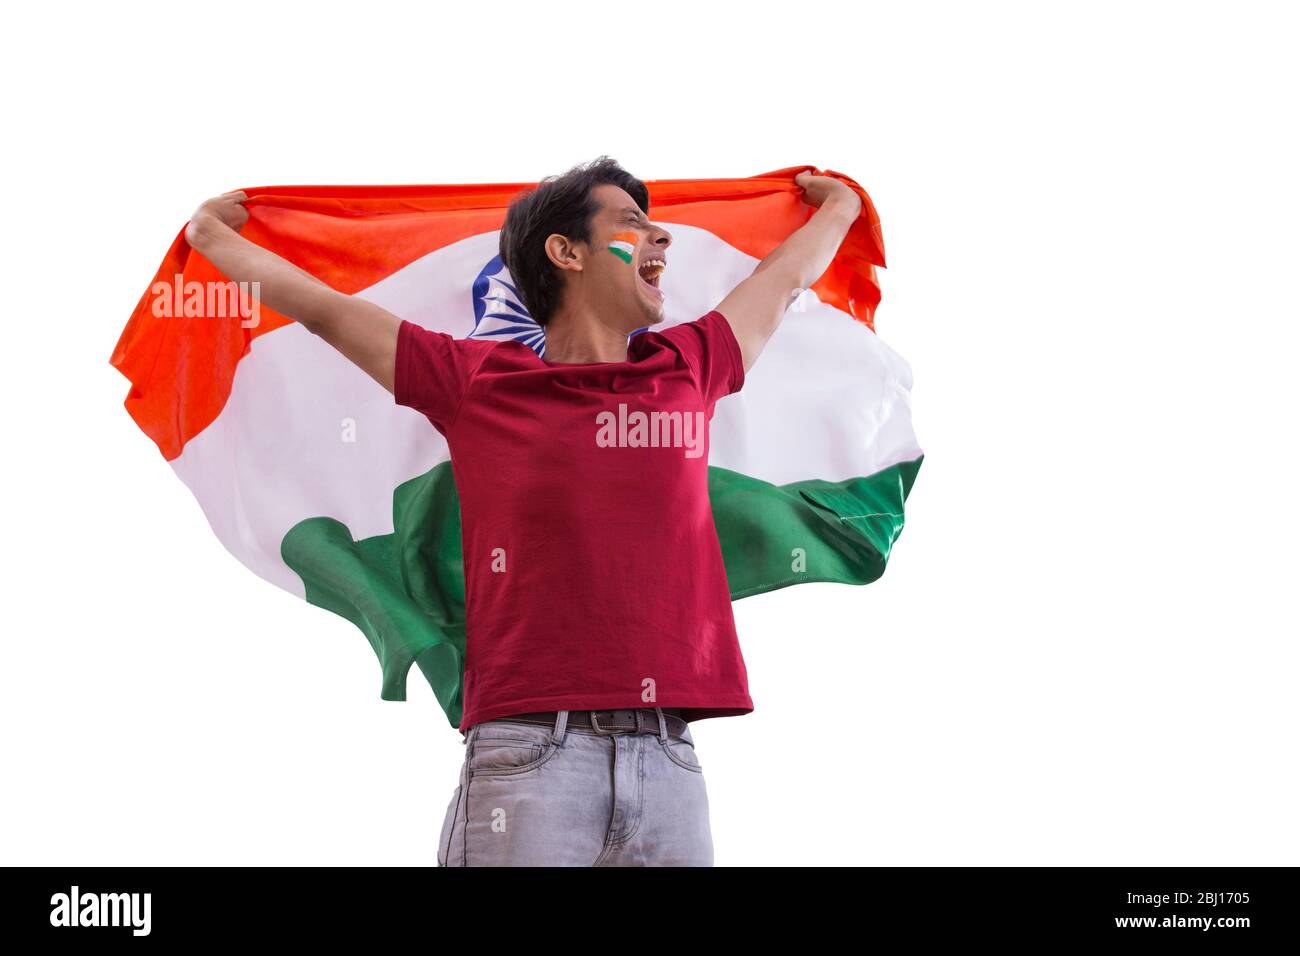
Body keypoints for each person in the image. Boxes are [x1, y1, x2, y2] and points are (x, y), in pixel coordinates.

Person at [185, 156, 863, 866]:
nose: (661, 239)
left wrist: (840, 207)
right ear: (565, 252)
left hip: (671, 762)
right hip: (530, 758)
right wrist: (214, 238)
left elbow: (782, 281)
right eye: (632, 223)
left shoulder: (687, 366)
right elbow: (325, 310)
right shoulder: (474, 381)